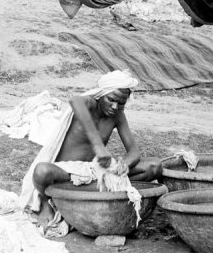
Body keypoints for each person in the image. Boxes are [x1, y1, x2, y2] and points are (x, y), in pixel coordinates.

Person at [19, 70, 161, 230]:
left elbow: (134, 151)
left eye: (121, 103)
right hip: (67, 174)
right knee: (42, 171)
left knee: (154, 166)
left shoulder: (118, 115)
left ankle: (104, 194)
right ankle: (46, 203)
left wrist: (125, 165)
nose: (115, 106)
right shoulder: (88, 104)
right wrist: (98, 146)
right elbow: (75, 100)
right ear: (101, 94)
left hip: (95, 173)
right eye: (111, 100)